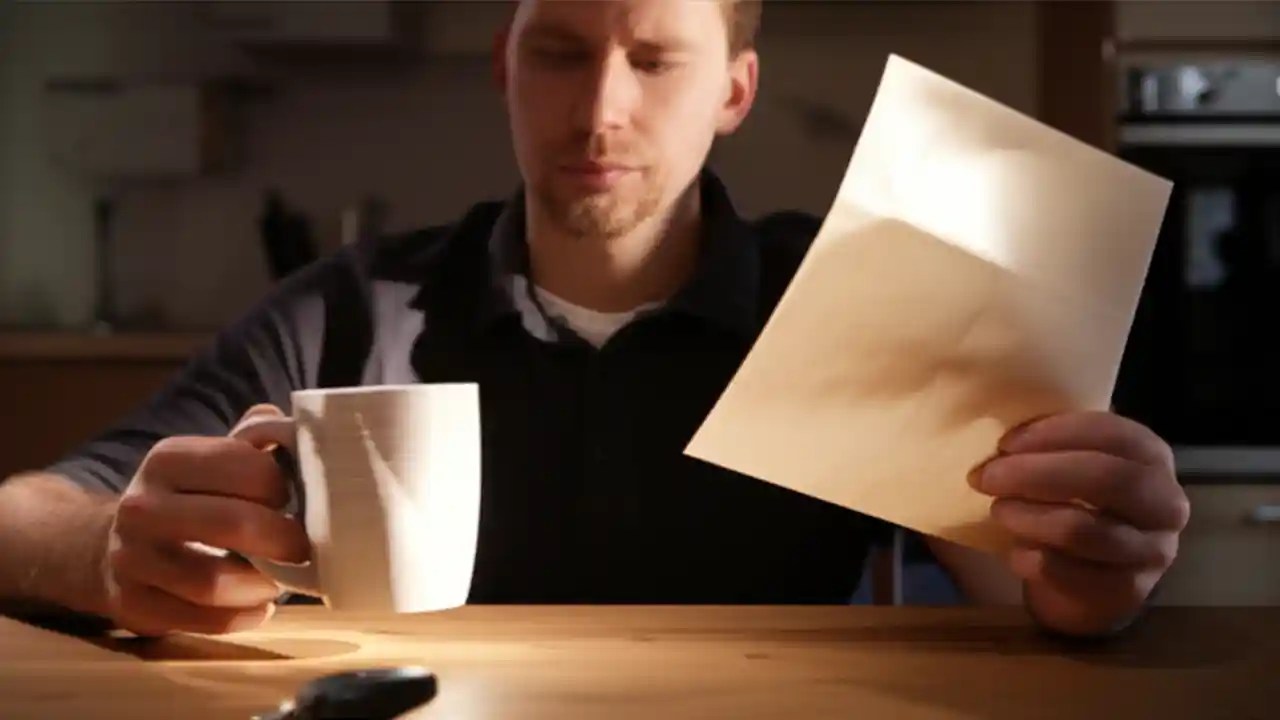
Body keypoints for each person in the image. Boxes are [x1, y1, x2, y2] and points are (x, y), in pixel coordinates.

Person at [0, 0, 1188, 640]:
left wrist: (1081, 578)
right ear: (502, 70)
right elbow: (24, 513)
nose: (599, 110)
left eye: (653, 59)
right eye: (559, 54)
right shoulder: (352, 306)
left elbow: (1023, 589)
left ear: (733, 90)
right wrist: (110, 554)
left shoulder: (845, 299)